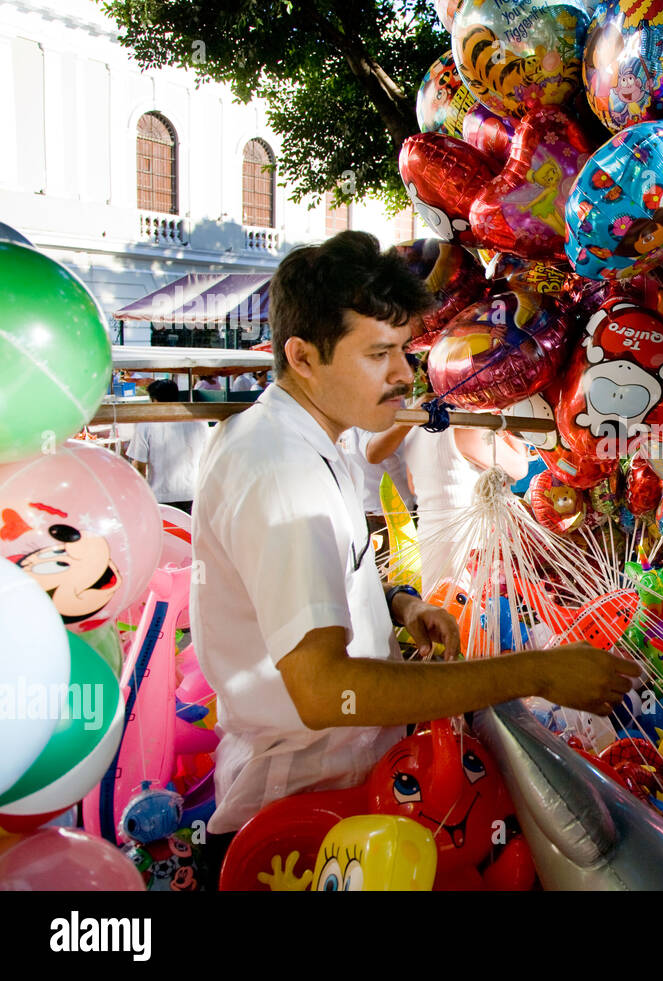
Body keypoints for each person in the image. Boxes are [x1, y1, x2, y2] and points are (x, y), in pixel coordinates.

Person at [190, 232, 639, 857]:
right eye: (379, 354)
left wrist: (399, 605)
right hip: (300, 820)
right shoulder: (279, 470)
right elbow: (323, 691)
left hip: (346, 788)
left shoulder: (320, 438)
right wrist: (536, 672)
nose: (405, 375)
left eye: (403, 350)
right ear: (302, 356)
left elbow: (317, 581)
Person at [365, 407, 531, 592]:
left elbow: (413, 486)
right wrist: (507, 422)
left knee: (441, 609)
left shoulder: (415, 430)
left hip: (430, 539)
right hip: (468, 543)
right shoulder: (467, 424)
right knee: (471, 611)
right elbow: (519, 468)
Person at [125, 379, 211, 514]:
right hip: (193, 493)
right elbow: (208, 458)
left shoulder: (146, 425)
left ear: (154, 401)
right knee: (190, 533)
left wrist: (140, 496)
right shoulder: (200, 422)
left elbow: (139, 466)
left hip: (161, 497)